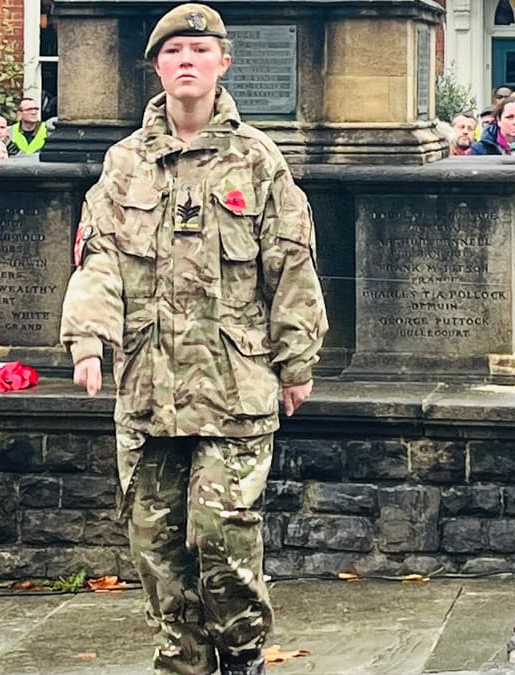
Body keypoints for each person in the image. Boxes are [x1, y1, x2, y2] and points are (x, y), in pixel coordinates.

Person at [59, 5, 327, 674]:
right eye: (174, 49)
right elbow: (99, 262)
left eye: (200, 49)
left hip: (234, 384)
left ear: (222, 63)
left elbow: (289, 265)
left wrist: (297, 360)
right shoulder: (124, 165)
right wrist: (88, 340)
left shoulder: (258, 161)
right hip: (150, 386)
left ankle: (240, 654)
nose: (187, 59)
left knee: (221, 532)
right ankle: (183, 661)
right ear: (156, 66)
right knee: (155, 544)